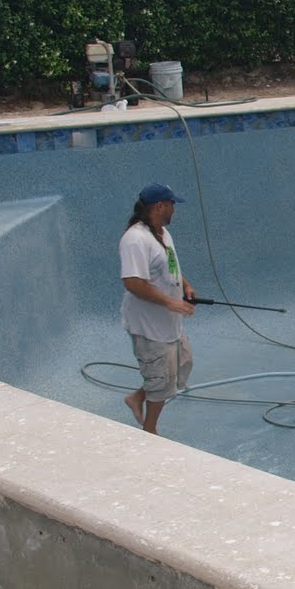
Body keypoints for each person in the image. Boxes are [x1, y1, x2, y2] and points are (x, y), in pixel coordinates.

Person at [119, 182, 195, 434]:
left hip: (169, 321)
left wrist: (185, 285)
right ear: (159, 206)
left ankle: (137, 397)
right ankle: (150, 432)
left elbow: (170, 265)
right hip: (148, 326)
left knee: (183, 363)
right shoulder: (135, 240)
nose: (175, 209)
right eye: (172, 204)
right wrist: (170, 302)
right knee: (161, 382)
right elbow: (133, 283)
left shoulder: (162, 233)